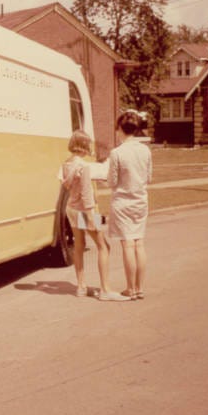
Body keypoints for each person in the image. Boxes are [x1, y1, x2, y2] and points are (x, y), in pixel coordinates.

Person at [60, 130, 126, 301]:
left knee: (79, 246)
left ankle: (81, 287)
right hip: (85, 211)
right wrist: (91, 218)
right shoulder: (84, 166)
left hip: (71, 210)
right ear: (83, 146)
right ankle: (105, 289)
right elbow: (87, 195)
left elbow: (66, 186)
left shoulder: (66, 164)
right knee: (104, 246)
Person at [107, 110, 152, 300]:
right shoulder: (145, 150)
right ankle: (140, 288)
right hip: (140, 201)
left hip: (123, 202)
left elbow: (112, 182)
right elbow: (148, 178)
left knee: (127, 245)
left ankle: (130, 288)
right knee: (139, 243)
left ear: (120, 129)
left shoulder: (117, 153)